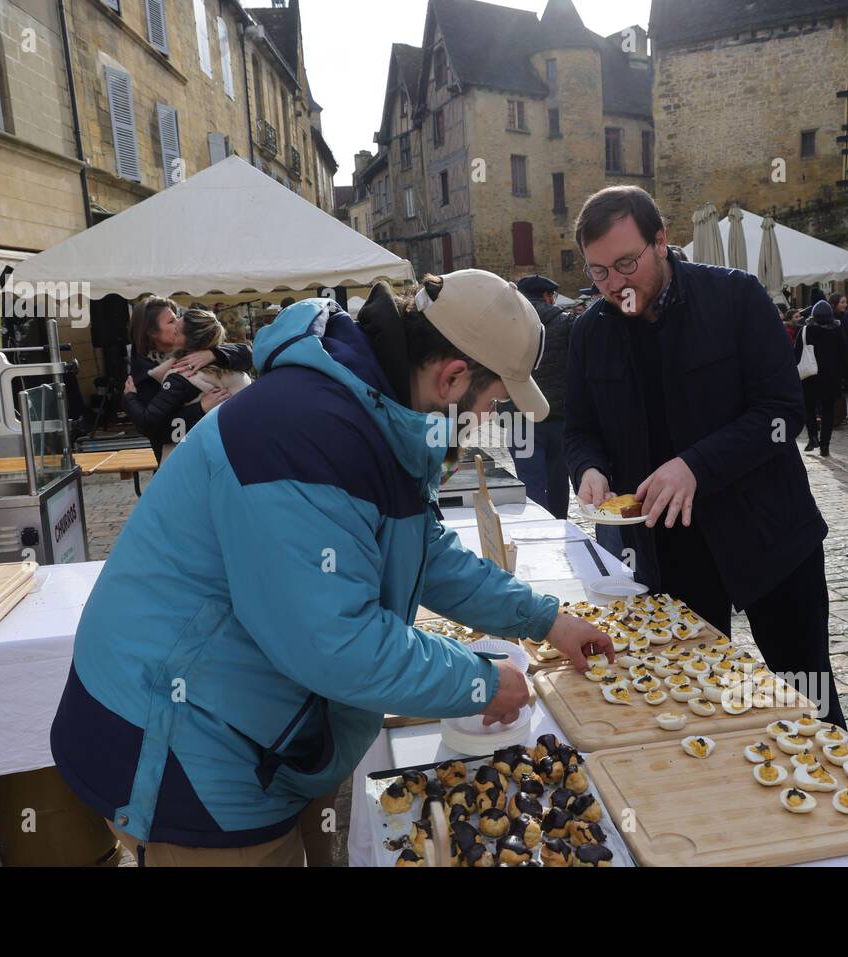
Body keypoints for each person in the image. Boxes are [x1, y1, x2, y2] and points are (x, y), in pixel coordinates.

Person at [51, 271, 608, 866]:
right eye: (489, 403)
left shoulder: (371, 410)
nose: (481, 420)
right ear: (452, 377)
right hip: (182, 749)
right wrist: (479, 681)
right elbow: (336, 641)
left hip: (253, 734)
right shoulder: (307, 432)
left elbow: (427, 552)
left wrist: (546, 620)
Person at [563, 185, 846, 727]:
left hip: (771, 537)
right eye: (598, 272)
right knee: (697, 701)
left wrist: (696, 464)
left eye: (626, 263)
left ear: (662, 241)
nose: (615, 284)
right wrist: (589, 468)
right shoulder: (589, 332)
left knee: (808, 698)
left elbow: (782, 413)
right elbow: (580, 428)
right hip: (671, 553)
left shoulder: (736, 298)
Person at [125, 297, 252, 463]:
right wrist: (199, 410)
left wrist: (214, 354)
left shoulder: (197, 350)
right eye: (171, 321)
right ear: (152, 332)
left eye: (177, 317)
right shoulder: (145, 375)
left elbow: (247, 354)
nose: (178, 323)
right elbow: (156, 431)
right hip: (180, 460)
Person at [509, 274, 573, 519]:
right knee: (559, 482)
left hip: (521, 419)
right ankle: (560, 528)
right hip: (560, 418)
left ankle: (536, 531)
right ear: (547, 296)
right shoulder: (567, 323)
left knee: (530, 484)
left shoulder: (509, 324)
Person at [794, 300, 848, 457]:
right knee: (827, 410)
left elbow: (796, 354)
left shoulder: (805, 330)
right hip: (831, 377)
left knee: (809, 408)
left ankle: (812, 437)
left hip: (810, 376)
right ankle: (825, 444)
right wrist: (845, 375)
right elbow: (845, 353)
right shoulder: (838, 330)